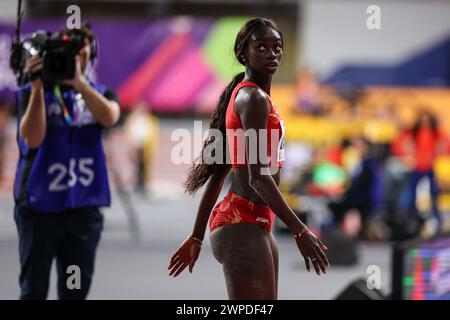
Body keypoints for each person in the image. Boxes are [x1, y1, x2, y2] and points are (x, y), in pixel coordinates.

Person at [168, 17, 329, 300]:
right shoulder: (252, 99)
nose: (271, 53)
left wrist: (196, 236)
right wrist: (300, 230)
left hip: (255, 222)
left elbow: (218, 174)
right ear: (243, 53)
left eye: (277, 47)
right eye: (261, 47)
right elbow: (258, 179)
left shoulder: (252, 97)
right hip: (242, 224)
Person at [13, 23, 120, 299]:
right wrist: (37, 87)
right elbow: (33, 138)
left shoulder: (100, 94)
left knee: (74, 292)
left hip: (82, 210)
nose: (74, 56)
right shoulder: (32, 93)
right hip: (39, 207)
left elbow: (110, 117)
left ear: (89, 54)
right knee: (33, 290)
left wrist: (78, 83)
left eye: (79, 49)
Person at [392, 110, 447, 233]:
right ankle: (412, 218)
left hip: (429, 167)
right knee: (412, 193)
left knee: (434, 193)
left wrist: (437, 155)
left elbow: (443, 143)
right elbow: (402, 142)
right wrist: (407, 156)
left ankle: (436, 219)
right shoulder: (414, 132)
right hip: (417, 167)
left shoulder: (435, 132)